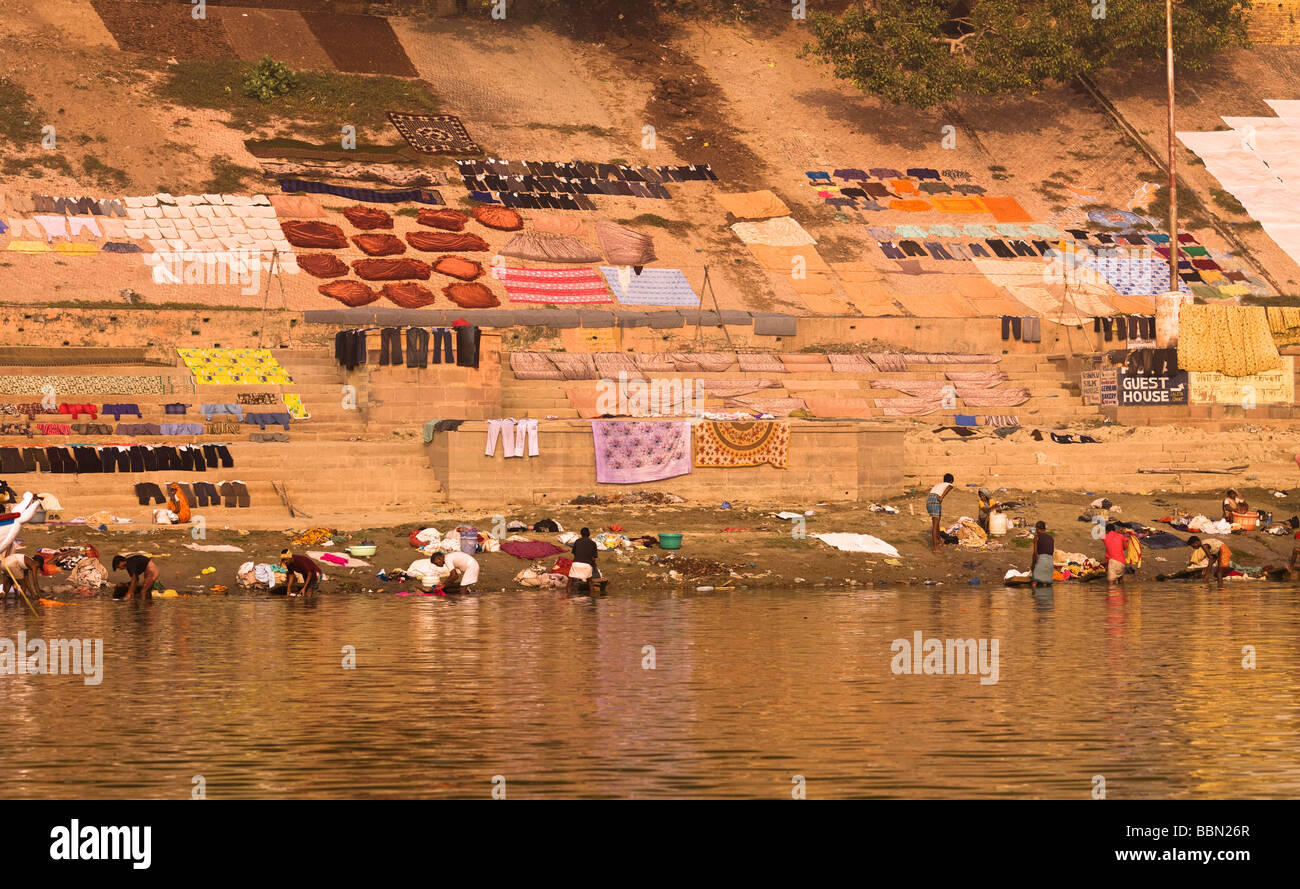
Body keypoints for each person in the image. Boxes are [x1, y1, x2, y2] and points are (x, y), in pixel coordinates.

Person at [567, 527, 606, 595]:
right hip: (587, 565)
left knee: (570, 582)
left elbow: (575, 554)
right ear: (589, 534)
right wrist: (594, 565)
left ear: (581, 534)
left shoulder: (577, 541)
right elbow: (593, 558)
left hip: (576, 564)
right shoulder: (593, 543)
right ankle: (592, 599)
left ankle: (568, 597)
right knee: (590, 583)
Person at [927, 473, 955, 554]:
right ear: (951, 481)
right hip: (936, 501)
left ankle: (939, 541)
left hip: (929, 501)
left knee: (937, 523)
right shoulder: (949, 484)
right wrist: (941, 498)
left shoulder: (938, 485)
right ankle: (935, 548)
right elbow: (949, 487)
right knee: (935, 526)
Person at [1030, 521, 1055, 587]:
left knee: (1034, 582)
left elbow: (1035, 553)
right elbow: (1050, 553)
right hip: (1050, 562)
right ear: (1044, 529)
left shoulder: (1037, 537)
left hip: (1042, 561)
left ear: (1037, 529)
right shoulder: (1051, 538)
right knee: (1045, 584)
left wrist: (1033, 566)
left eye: (1036, 529)